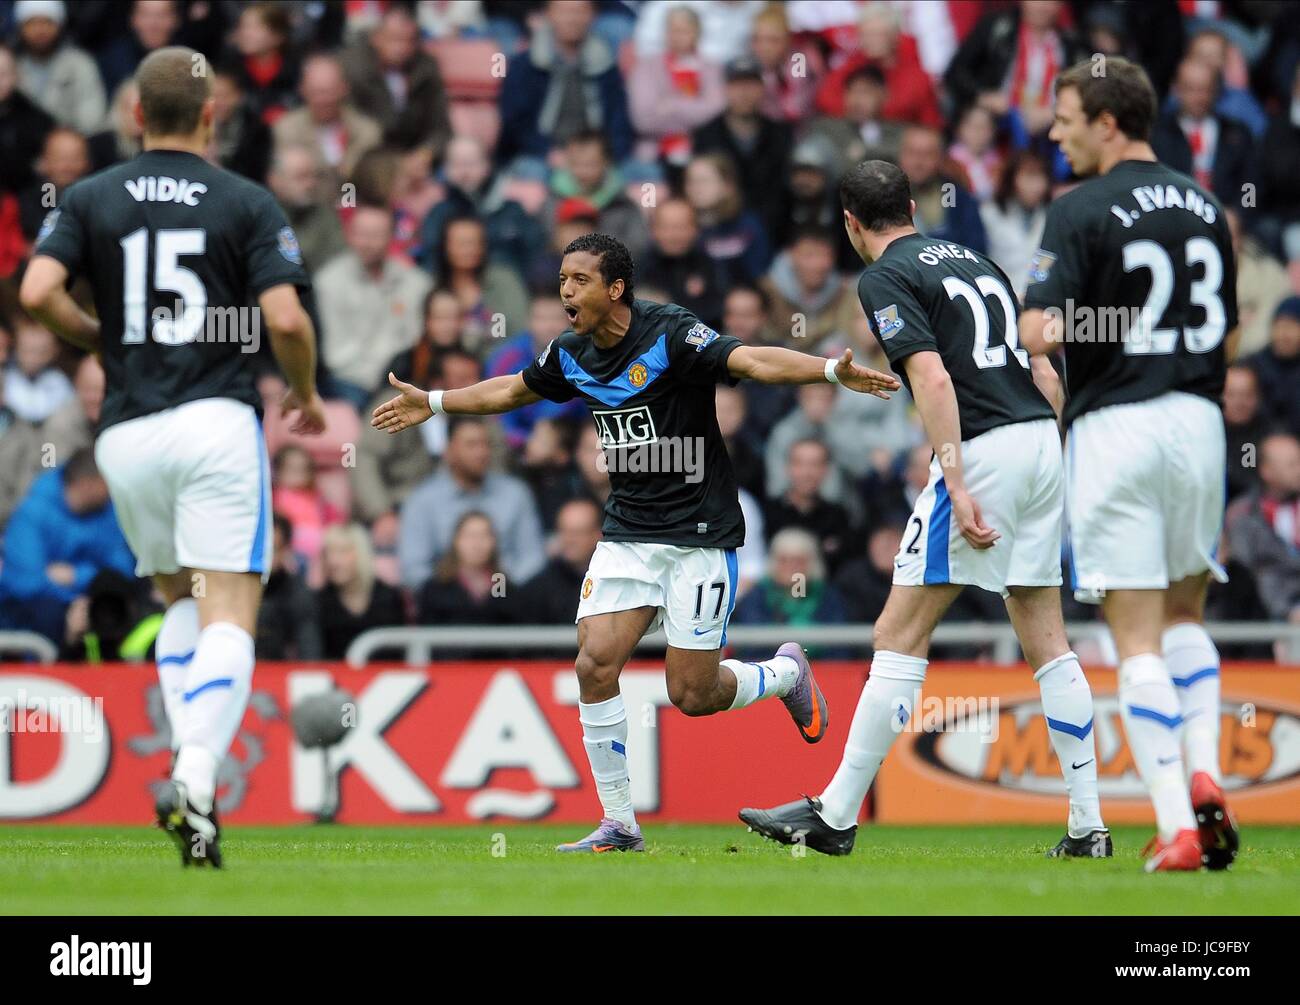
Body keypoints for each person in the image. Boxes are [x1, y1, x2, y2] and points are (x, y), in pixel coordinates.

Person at [372, 232, 899, 852]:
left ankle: (784, 675)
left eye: (580, 280)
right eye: (563, 279)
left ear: (615, 288)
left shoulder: (671, 333)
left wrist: (830, 369)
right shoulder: (568, 353)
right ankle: (620, 822)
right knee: (594, 662)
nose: (566, 290)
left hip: (700, 535)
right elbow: (512, 390)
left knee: (692, 695)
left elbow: (752, 361)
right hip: (628, 533)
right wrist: (434, 402)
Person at [741, 159, 1109, 861]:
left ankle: (836, 812)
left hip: (984, 448)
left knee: (898, 629)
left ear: (851, 224)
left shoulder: (885, 275)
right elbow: (1040, 364)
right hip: (1039, 438)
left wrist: (957, 477)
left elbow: (933, 376)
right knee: (1046, 636)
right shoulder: (979, 261)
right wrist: (1043, 447)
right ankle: (1088, 824)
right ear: (911, 204)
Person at [20, 46, 326, 867]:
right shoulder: (244, 200)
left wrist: (105, 342)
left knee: (177, 596)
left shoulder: (88, 196)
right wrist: (301, 390)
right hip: (215, 423)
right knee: (230, 605)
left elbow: (35, 294)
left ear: (132, 116)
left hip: (125, 433)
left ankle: (194, 793)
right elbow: (288, 323)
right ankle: (195, 772)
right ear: (211, 114)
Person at [1017, 57, 1240, 872]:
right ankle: (1209, 767)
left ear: (1107, 122)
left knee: (1135, 636)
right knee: (1188, 617)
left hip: (1118, 426)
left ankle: (1178, 821)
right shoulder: (1208, 205)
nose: (1054, 132)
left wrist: (1072, 319)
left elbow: (1039, 329)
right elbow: (1231, 332)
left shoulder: (1080, 208)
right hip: (1200, 419)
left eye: (1066, 117)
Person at [317, 522, 405, 660]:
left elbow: (401, 651)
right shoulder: (320, 602)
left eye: (342, 551)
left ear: (362, 553)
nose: (333, 561)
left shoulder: (388, 598)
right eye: (328, 553)